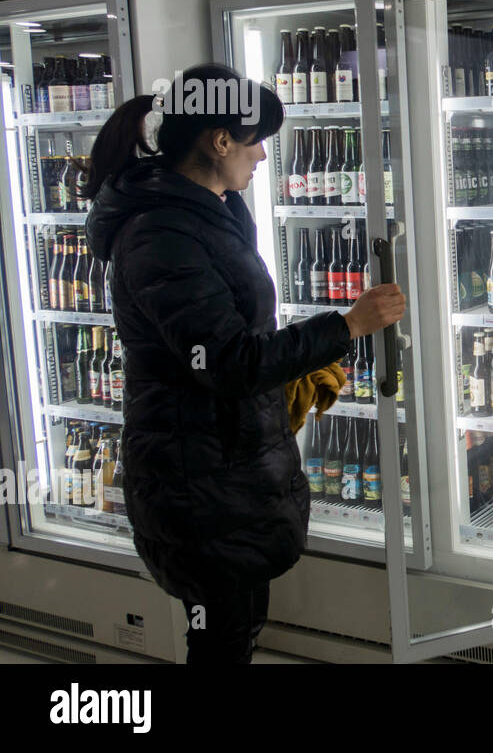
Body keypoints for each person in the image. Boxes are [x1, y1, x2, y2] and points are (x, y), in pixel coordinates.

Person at [83, 64, 405, 663]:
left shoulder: (211, 208)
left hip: (224, 464)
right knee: (220, 636)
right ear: (219, 139)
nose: (262, 155)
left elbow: (230, 339)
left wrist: (285, 378)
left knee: (235, 627)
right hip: (196, 478)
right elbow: (226, 360)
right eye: (253, 139)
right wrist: (346, 327)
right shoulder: (161, 233)